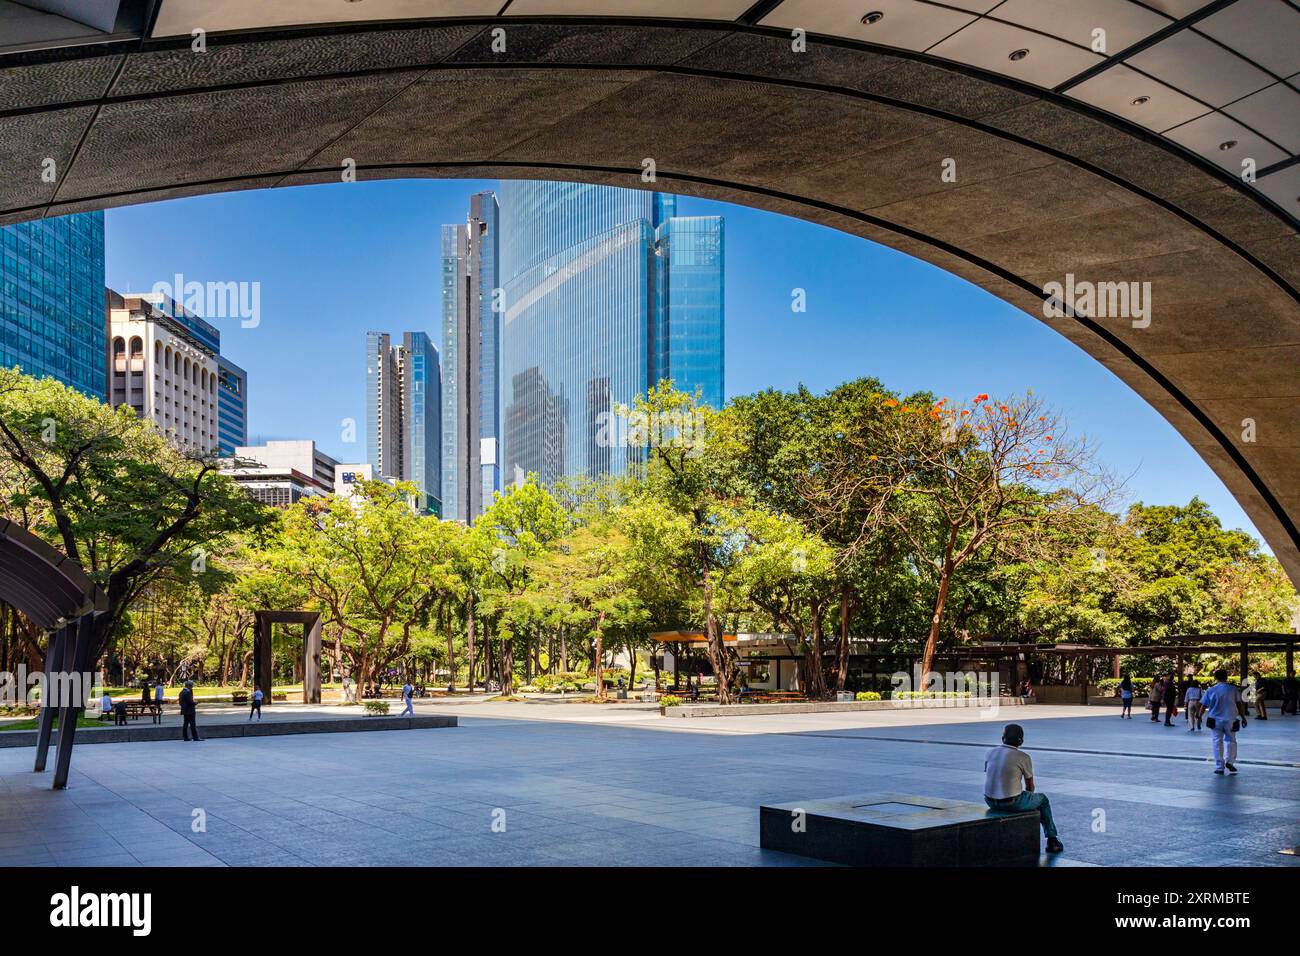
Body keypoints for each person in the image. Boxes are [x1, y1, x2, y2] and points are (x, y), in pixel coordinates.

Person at [984, 723, 1063, 854]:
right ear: (1021, 741)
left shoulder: (989, 752)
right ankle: (1052, 840)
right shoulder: (1023, 757)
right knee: (1043, 799)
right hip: (1012, 802)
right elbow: (1030, 786)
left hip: (990, 801)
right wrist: (1028, 798)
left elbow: (991, 773)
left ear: (1003, 737)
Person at [1200, 669, 1246, 774]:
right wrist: (1243, 717)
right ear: (1227, 677)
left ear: (1215, 678)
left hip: (1215, 720)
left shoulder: (1211, 690)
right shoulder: (1233, 689)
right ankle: (1229, 761)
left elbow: (1204, 705)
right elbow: (1239, 704)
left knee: (1217, 741)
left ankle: (1219, 767)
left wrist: (1199, 716)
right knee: (1231, 740)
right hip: (1231, 719)